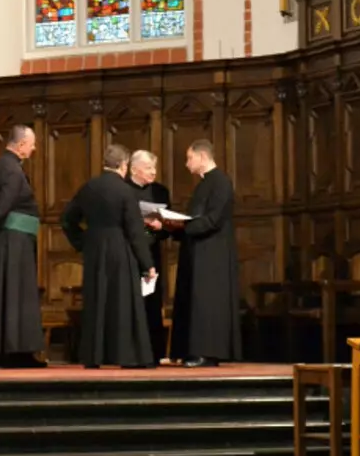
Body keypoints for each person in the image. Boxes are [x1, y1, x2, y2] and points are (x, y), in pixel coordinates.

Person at [61, 144, 157, 368]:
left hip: (94, 249)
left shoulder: (88, 188)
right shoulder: (125, 191)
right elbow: (135, 232)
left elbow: (67, 220)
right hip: (119, 249)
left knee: (96, 301)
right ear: (124, 165)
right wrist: (147, 264)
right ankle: (125, 356)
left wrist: (82, 242)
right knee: (122, 303)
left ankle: (94, 357)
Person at [0, 126, 46, 369]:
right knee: (16, 296)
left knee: (5, 294)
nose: (34, 148)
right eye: (32, 143)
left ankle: (4, 352)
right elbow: (2, 207)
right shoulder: (13, 170)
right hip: (14, 242)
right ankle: (16, 353)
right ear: (21, 144)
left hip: (5, 239)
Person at [165, 139, 241, 367]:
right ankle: (190, 350)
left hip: (213, 253)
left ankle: (207, 352)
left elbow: (213, 219)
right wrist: (175, 227)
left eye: (189, 158)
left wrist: (184, 227)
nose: (187, 164)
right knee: (195, 299)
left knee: (207, 302)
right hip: (198, 249)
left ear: (202, 156)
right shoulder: (204, 184)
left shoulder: (221, 182)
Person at [127, 150, 172, 363]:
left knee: (151, 302)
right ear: (134, 169)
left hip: (152, 253)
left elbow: (167, 227)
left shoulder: (160, 192)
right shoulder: (124, 190)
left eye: (154, 168)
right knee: (130, 302)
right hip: (129, 255)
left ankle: (154, 353)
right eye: (148, 168)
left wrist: (159, 226)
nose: (153, 172)